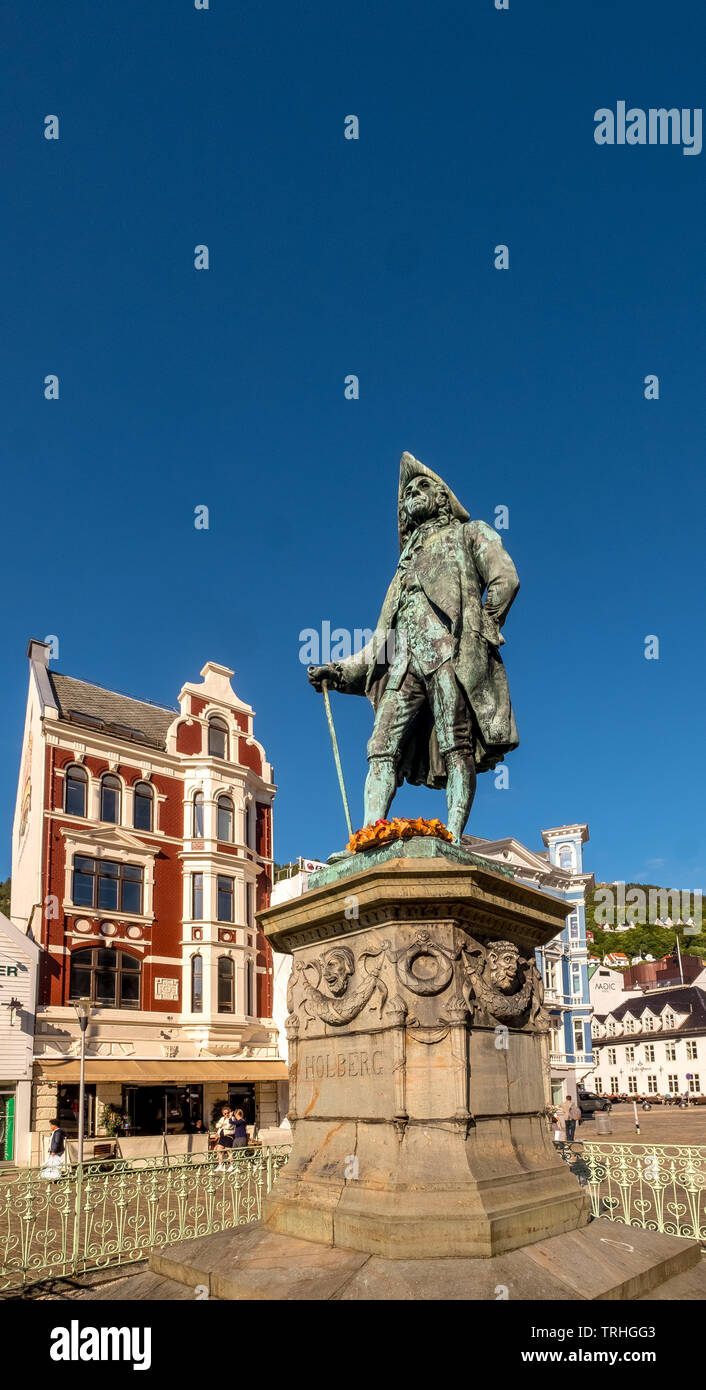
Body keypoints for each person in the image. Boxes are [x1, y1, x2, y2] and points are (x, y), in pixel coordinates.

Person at [308, 452, 519, 845]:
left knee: (457, 743)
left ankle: (453, 836)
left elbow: (505, 579)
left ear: (441, 499)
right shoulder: (402, 569)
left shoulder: (470, 534)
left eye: (423, 486)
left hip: (449, 658)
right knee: (380, 745)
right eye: (407, 492)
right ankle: (367, 839)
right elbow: (380, 643)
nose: (412, 494)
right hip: (403, 663)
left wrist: (480, 627)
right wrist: (338, 672)